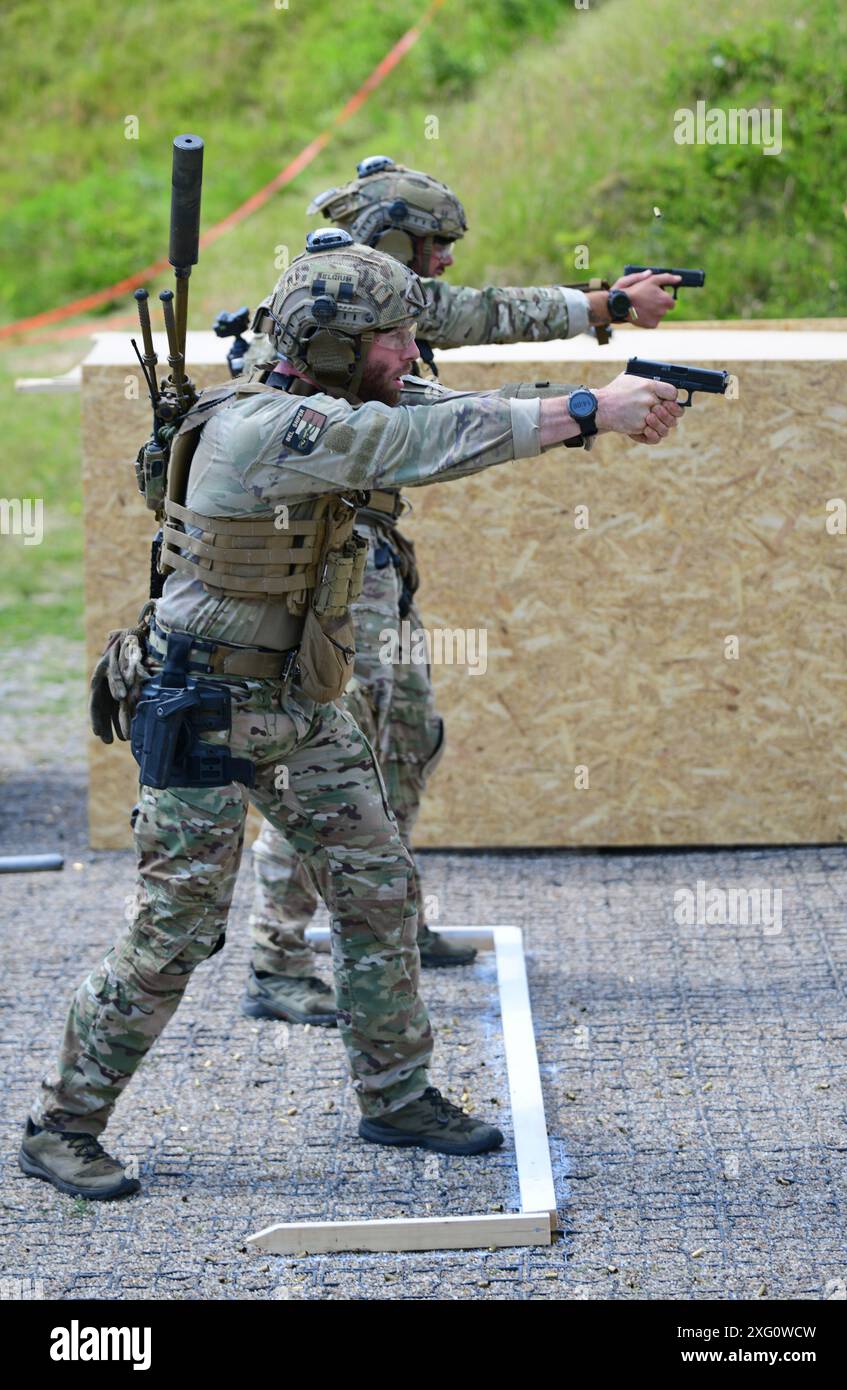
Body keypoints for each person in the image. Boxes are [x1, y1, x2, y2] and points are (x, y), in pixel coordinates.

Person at [19, 231, 683, 1198]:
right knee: (176, 932)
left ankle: (394, 1093)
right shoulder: (273, 429)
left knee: (376, 889)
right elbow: (418, 441)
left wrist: (593, 390)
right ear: (334, 347)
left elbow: (453, 412)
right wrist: (591, 410)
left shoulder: (337, 399)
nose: (410, 354)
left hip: (296, 701)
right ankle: (61, 1125)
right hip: (205, 705)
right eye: (394, 338)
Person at [241, 157, 681, 1023]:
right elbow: (441, 416)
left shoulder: (381, 306)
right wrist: (591, 393)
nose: (444, 263)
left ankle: (389, 919)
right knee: (329, 760)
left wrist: (597, 344)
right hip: (314, 568)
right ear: (395, 241)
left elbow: (467, 345)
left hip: (368, 559)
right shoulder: (329, 313)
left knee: (406, 733)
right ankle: (276, 955)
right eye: (435, 244)